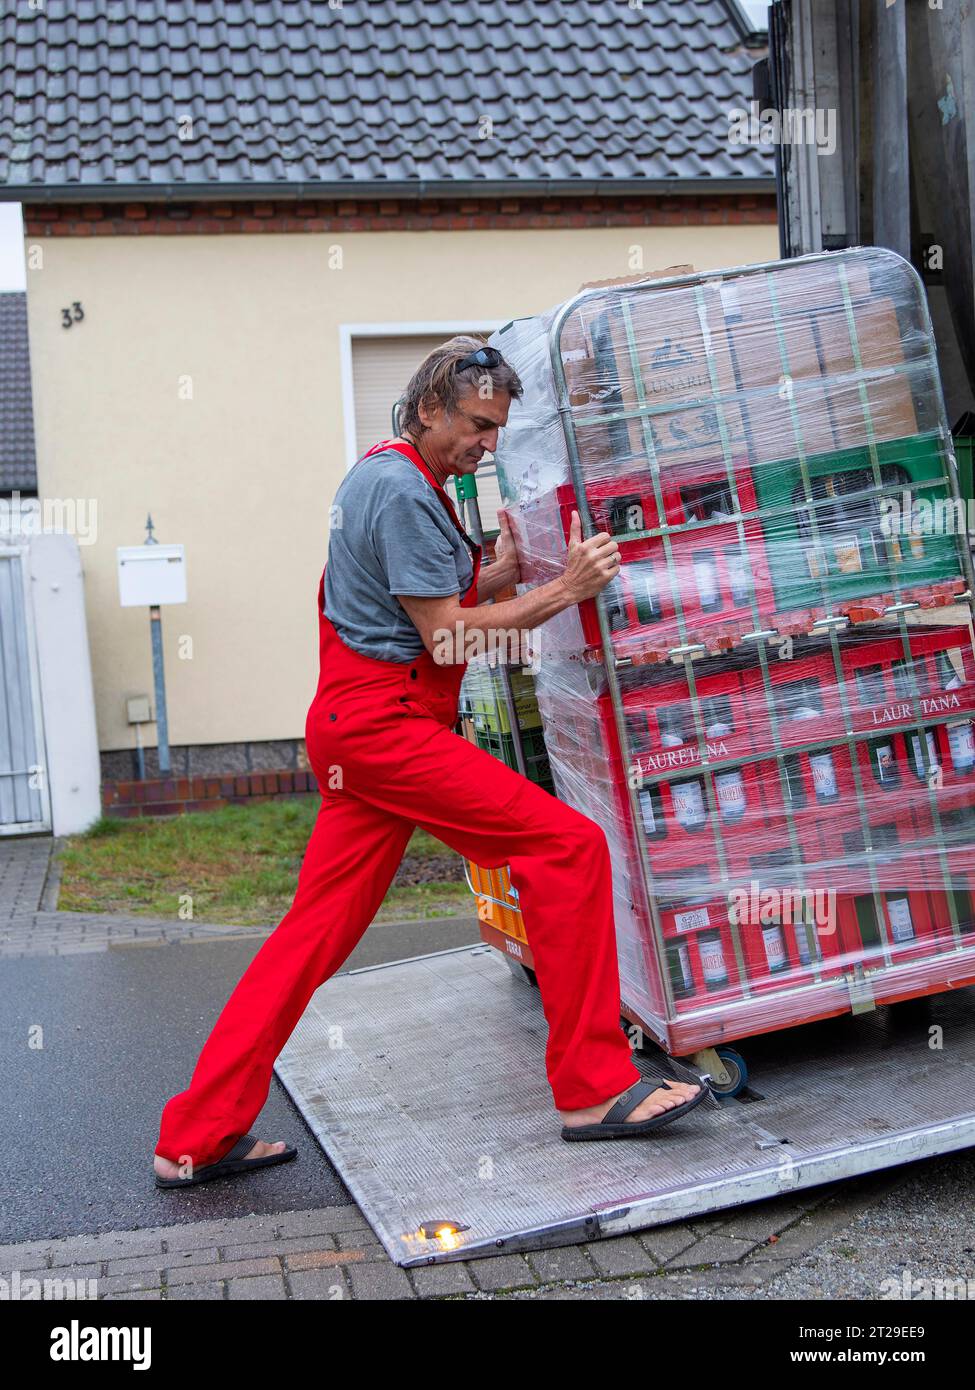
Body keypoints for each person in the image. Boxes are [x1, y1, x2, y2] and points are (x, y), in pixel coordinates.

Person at [152, 335, 704, 1188]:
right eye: (477, 425)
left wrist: (500, 575)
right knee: (566, 847)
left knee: (309, 940)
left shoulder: (405, 477)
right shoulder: (402, 490)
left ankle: (195, 1136)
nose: (486, 443)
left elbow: (413, 599)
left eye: (496, 429)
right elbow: (442, 631)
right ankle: (593, 1089)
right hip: (386, 728)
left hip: (364, 725)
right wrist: (563, 590)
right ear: (425, 409)